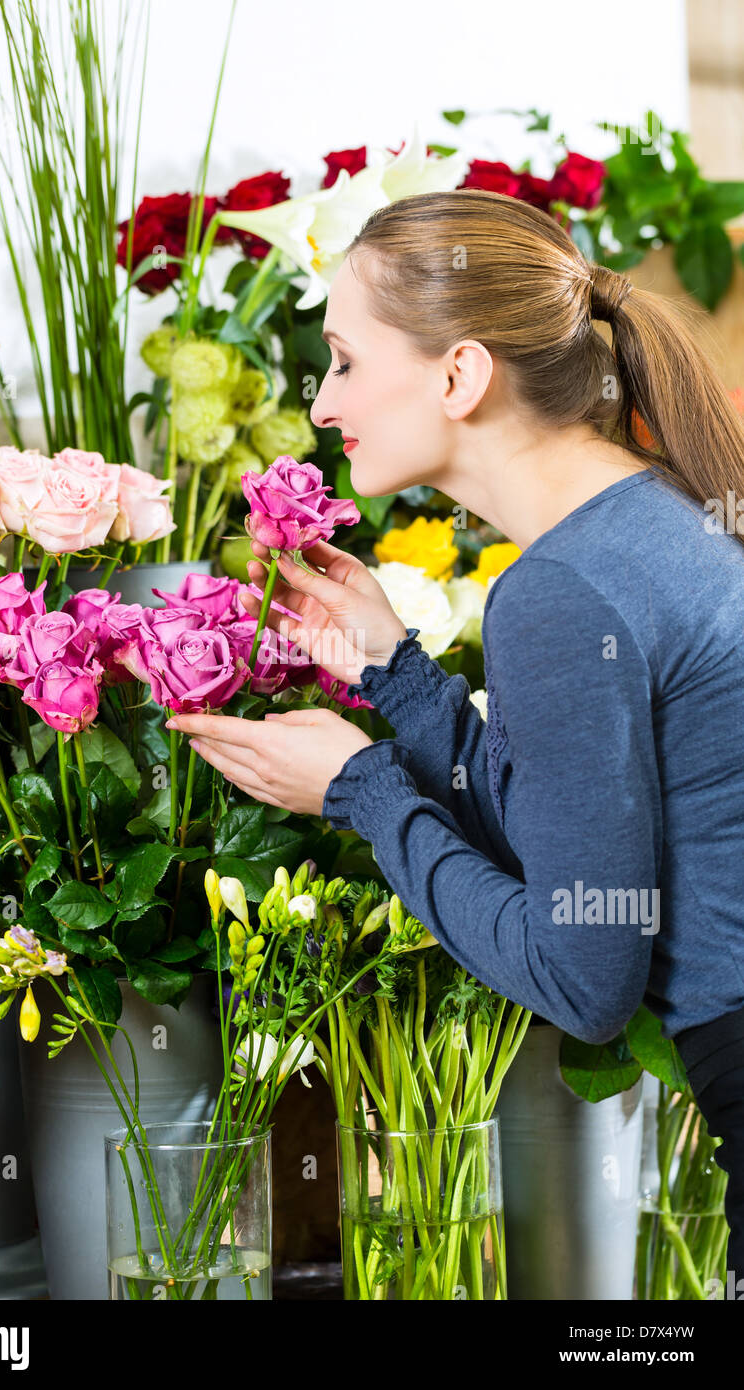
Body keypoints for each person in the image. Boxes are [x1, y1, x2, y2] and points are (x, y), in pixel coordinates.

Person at [164, 187, 744, 1288]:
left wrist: (361, 789)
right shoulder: (651, 515)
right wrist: (395, 671)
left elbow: (582, 981)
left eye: (341, 360)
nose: (323, 403)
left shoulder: (560, 591)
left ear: (458, 376)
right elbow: (575, 853)